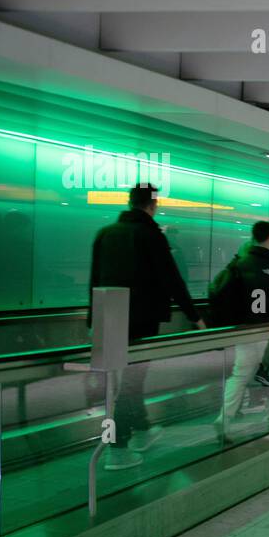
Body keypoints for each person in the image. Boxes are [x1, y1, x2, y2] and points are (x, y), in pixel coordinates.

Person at [89, 182, 205, 470]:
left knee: (121, 381)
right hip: (141, 319)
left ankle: (142, 430)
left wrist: (93, 321)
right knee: (130, 382)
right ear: (153, 205)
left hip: (108, 317)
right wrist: (195, 316)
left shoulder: (105, 234)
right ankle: (119, 447)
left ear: (130, 201)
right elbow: (172, 279)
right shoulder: (151, 235)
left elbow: (94, 279)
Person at [214, 221, 269, 436]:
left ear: (252, 236)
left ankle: (224, 418)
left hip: (244, 328)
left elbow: (224, 293)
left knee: (240, 374)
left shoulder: (239, 263)